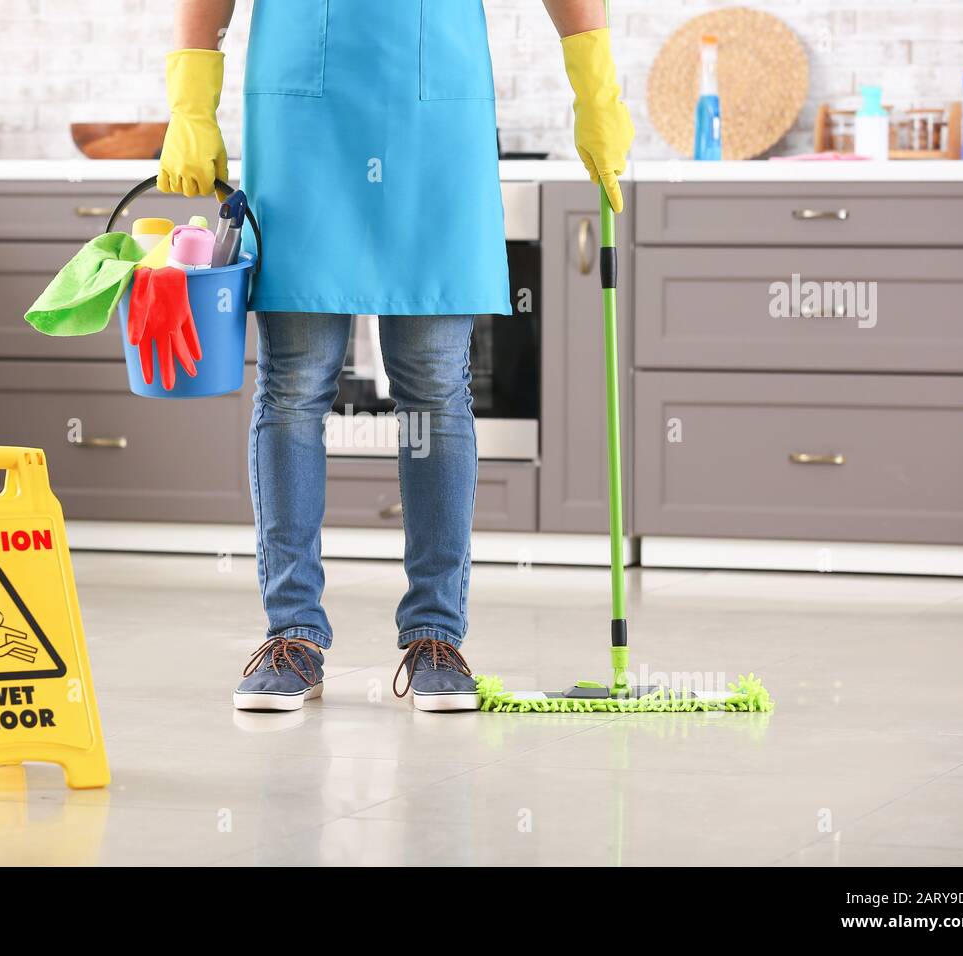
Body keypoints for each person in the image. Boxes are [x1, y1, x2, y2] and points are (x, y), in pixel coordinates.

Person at [159, 0, 633, 712]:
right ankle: (291, 634)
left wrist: (596, 86)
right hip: (300, 114)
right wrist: (191, 101)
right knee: (292, 388)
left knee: (437, 391)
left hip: (433, 107)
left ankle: (436, 636)